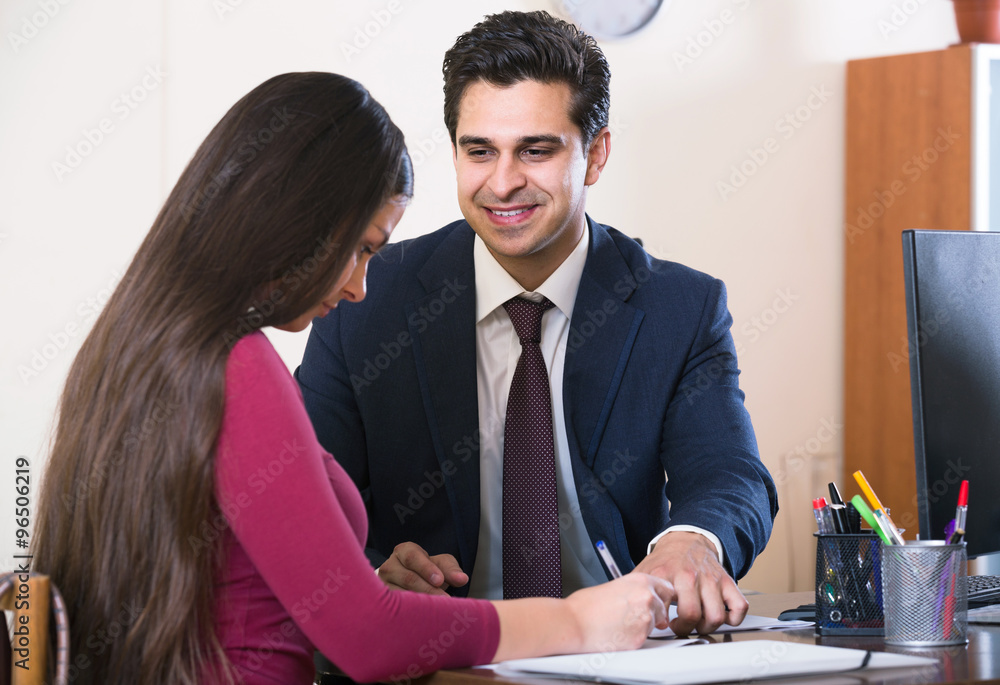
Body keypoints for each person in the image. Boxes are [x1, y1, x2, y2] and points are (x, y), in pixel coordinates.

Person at [31, 72, 675, 685]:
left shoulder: (131, 348)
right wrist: (576, 620)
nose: (361, 286)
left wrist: (361, 583)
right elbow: (367, 637)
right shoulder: (238, 365)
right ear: (297, 220)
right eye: (362, 248)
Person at [297, 10, 778, 637]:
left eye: (536, 150)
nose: (503, 183)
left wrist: (693, 541)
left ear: (596, 153)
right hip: (438, 654)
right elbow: (306, 505)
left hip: (617, 650)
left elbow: (728, 474)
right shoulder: (365, 298)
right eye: (480, 151)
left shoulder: (678, 307)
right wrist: (371, 574)